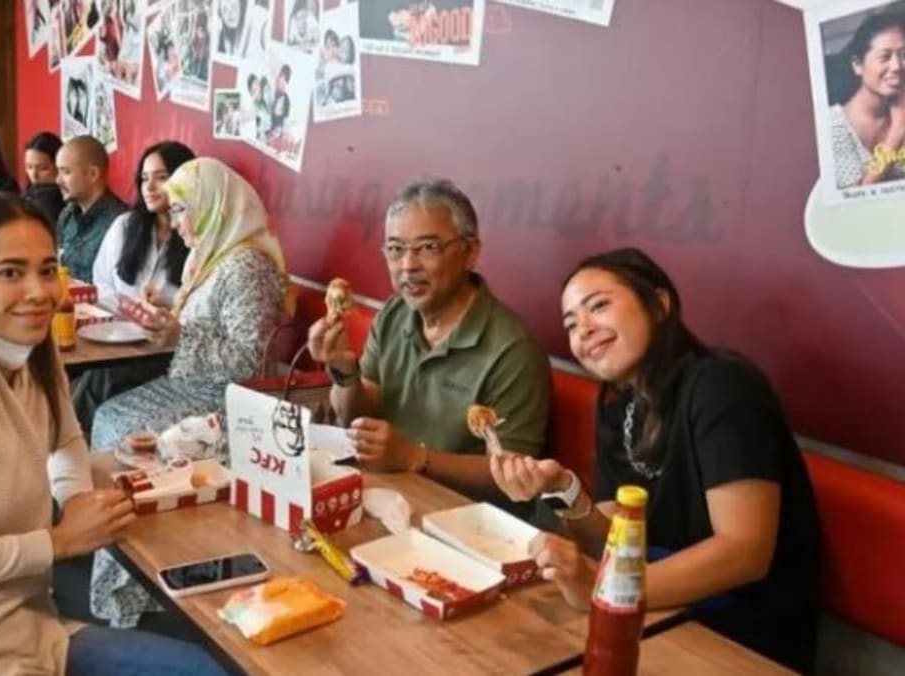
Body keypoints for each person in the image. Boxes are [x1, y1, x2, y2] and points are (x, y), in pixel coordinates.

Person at [0, 192, 225, 676]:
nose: (40, 292)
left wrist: (77, 497)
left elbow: (65, 439)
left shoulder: (33, 354)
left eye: (46, 269)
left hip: (32, 629)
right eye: (10, 273)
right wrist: (57, 542)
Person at [493, 247, 819, 673]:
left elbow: (744, 552)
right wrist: (562, 492)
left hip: (744, 633)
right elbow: (611, 537)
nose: (583, 330)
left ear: (659, 304)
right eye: (571, 324)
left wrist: (601, 585)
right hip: (659, 607)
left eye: (599, 306)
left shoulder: (722, 386)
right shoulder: (620, 401)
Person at [88, 158, 287, 628]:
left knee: (127, 430)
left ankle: (147, 579)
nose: (176, 224)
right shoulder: (209, 258)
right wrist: (163, 328)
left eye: (182, 210)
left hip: (229, 400)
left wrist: (179, 335)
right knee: (107, 415)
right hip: (190, 381)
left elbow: (248, 363)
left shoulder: (248, 266)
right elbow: (193, 334)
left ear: (212, 207)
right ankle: (126, 562)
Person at [306, 179, 550, 512]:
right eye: (395, 249)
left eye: (427, 248)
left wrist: (415, 458)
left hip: (463, 519)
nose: (408, 265)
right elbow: (357, 418)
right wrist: (345, 372)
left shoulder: (512, 349)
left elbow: (514, 474)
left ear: (471, 252)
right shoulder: (395, 312)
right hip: (386, 497)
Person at [72, 141, 195, 433]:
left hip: (167, 349)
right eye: (144, 178)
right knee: (95, 377)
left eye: (161, 177)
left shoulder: (195, 236)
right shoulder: (126, 226)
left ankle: (75, 447)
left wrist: (165, 309)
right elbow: (101, 282)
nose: (149, 187)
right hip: (118, 339)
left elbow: (198, 308)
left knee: (100, 380)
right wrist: (129, 309)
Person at [830, 12, 905, 189]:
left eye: (903, 55)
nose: (897, 66)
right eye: (884, 57)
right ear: (857, 65)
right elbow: (855, 201)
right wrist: (896, 132)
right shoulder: (835, 126)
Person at [55, 135, 128, 282]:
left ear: (93, 174)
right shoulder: (67, 214)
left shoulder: (121, 222)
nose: (58, 180)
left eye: (66, 172)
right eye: (58, 172)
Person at [22, 131, 66, 225]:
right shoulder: (30, 192)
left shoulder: (52, 202)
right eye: (29, 167)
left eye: (42, 168)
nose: (33, 175)